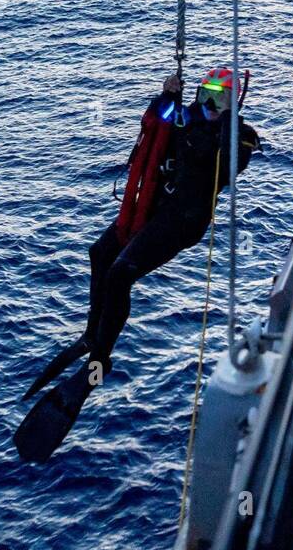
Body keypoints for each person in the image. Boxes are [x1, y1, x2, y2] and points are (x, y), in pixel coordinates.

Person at [15, 67, 260, 463]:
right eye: (205, 95)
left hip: (182, 221)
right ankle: (92, 333)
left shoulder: (238, 136)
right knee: (100, 254)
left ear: (234, 103)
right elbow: (155, 120)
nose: (210, 104)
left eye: (220, 98)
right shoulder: (186, 116)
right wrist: (167, 95)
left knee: (121, 273)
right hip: (155, 207)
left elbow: (226, 161)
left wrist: (219, 123)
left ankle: (101, 356)